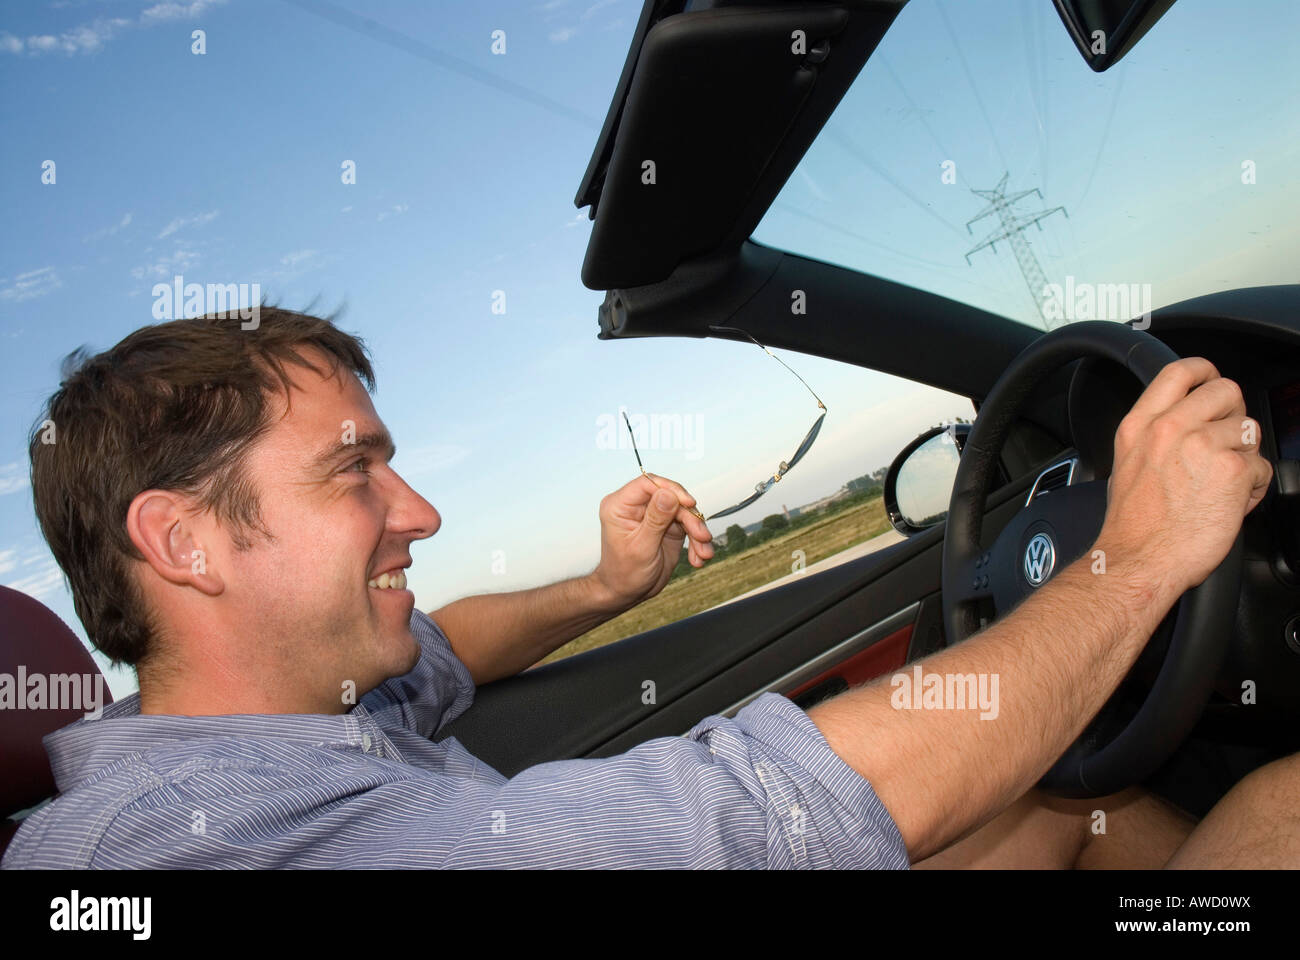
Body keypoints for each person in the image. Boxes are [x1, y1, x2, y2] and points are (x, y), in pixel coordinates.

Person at [1, 306, 1280, 869]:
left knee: (1071, 805)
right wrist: (1138, 554)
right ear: (185, 544)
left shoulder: (287, 709)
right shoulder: (176, 856)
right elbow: (770, 818)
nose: (423, 514)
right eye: (355, 474)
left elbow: (453, 643)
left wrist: (611, 586)